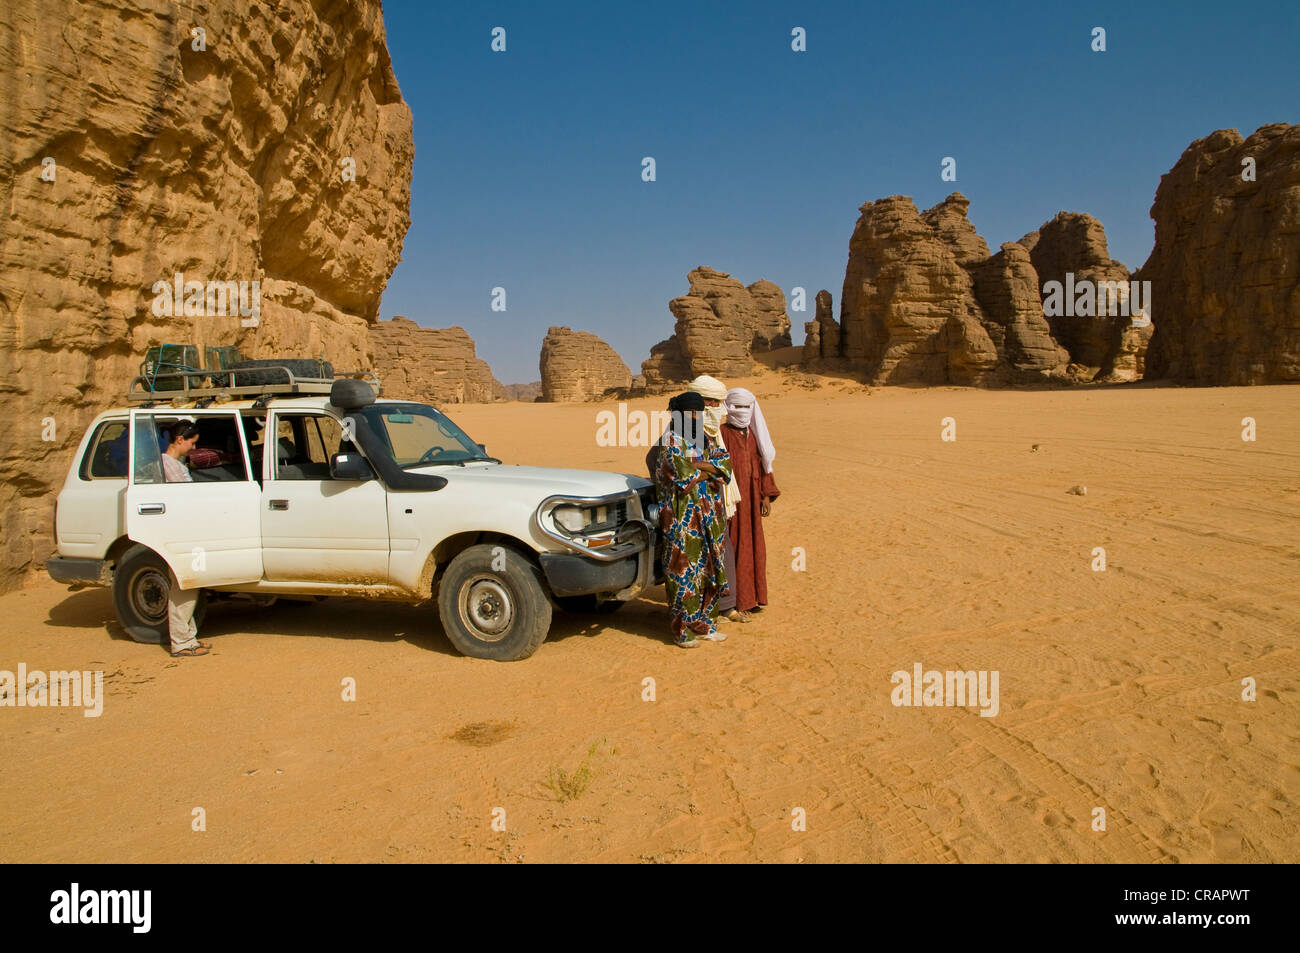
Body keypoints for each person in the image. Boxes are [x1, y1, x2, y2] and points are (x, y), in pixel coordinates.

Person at [653, 392, 732, 648]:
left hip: (709, 516)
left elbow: (725, 464)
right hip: (682, 519)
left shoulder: (705, 438)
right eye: (690, 412)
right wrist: (707, 468)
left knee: (709, 568)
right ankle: (683, 632)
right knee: (684, 573)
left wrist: (700, 464)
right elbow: (683, 475)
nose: (695, 416)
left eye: (698, 412)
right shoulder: (670, 441)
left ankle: (706, 625)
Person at [718, 388, 779, 622]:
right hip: (732, 503)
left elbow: (764, 464)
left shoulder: (754, 435)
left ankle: (753, 599)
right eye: (737, 407)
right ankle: (733, 602)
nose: (741, 413)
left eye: (746, 408)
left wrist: (765, 495)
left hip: (752, 502)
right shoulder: (722, 434)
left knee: (754, 548)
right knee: (733, 548)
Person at [160, 421, 211, 659]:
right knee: (183, 586)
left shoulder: (174, 464)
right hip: (178, 533)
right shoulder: (167, 465)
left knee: (189, 586)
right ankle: (181, 642)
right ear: (180, 440)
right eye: (192, 442)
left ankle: (188, 637)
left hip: (183, 531)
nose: (193, 447)